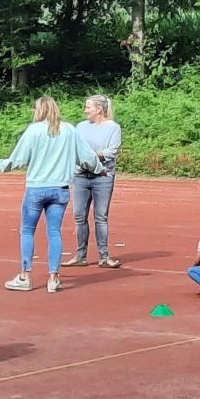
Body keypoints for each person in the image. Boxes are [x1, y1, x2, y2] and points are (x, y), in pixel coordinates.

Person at [0, 96, 103, 293]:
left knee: (27, 230)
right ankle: (54, 277)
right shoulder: (69, 130)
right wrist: (99, 169)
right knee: (54, 232)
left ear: (39, 110)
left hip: (37, 188)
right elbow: (87, 156)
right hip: (60, 189)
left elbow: (19, 157)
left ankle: (25, 275)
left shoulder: (34, 130)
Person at [64, 94, 123, 269]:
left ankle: (104, 256)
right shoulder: (81, 127)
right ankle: (80, 255)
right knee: (79, 216)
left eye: (88, 107)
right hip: (81, 176)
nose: (85, 110)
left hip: (103, 177)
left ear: (99, 109)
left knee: (101, 217)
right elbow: (74, 147)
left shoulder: (113, 127)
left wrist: (90, 155)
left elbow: (112, 151)